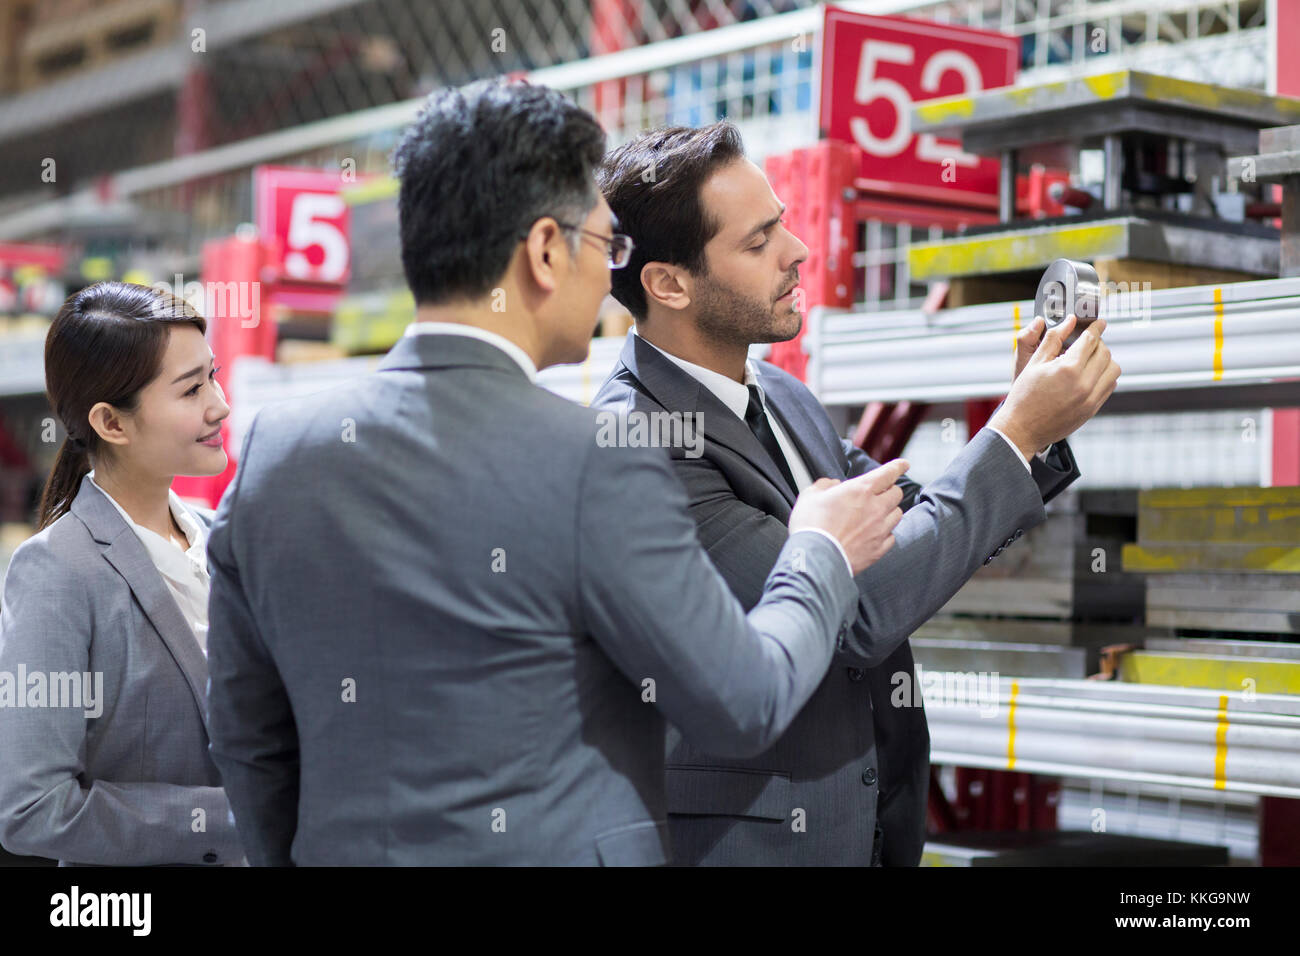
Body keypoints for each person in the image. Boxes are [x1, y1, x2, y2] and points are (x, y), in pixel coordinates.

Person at [203, 79, 907, 867]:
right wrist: (819, 550)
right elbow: (745, 702)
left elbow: (245, 737)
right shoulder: (600, 459)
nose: (608, 278)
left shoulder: (275, 454)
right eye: (605, 246)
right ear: (545, 250)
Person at [592, 122, 1121, 866]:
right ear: (668, 283)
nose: (797, 250)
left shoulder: (783, 397)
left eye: (782, 223)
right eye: (758, 242)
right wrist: (1014, 434)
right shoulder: (637, 443)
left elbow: (916, 531)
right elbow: (855, 610)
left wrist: (1025, 430)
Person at [0, 281, 244, 866]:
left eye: (212, 375)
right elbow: (33, 807)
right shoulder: (58, 571)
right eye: (191, 389)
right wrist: (240, 817)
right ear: (112, 422)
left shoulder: (227, 541)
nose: (219, 405)